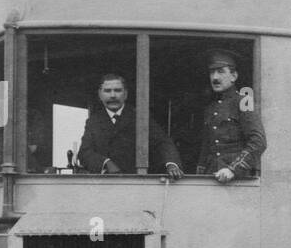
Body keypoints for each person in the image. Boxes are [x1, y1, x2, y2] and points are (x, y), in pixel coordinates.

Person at [77, 74, 183, 178]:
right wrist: (106, 163)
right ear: (100, 95)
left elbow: (163, 142)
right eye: (107, 91)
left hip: (136, 183)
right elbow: (85, 152)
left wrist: (171, 164)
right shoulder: (93, 121)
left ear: (126, 94)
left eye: (118, 90)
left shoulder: (140, 117)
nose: (113, 95)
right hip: (106, 184)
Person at [195, 49, 267, 182]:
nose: (215, 77)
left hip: (236, 179)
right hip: (210, 176)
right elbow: (206, 149)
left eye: (221, 71)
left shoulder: (243, 101)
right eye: (212, 72)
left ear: (234, 76)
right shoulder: (210, 108)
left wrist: (233, 169)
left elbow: (258, 141)